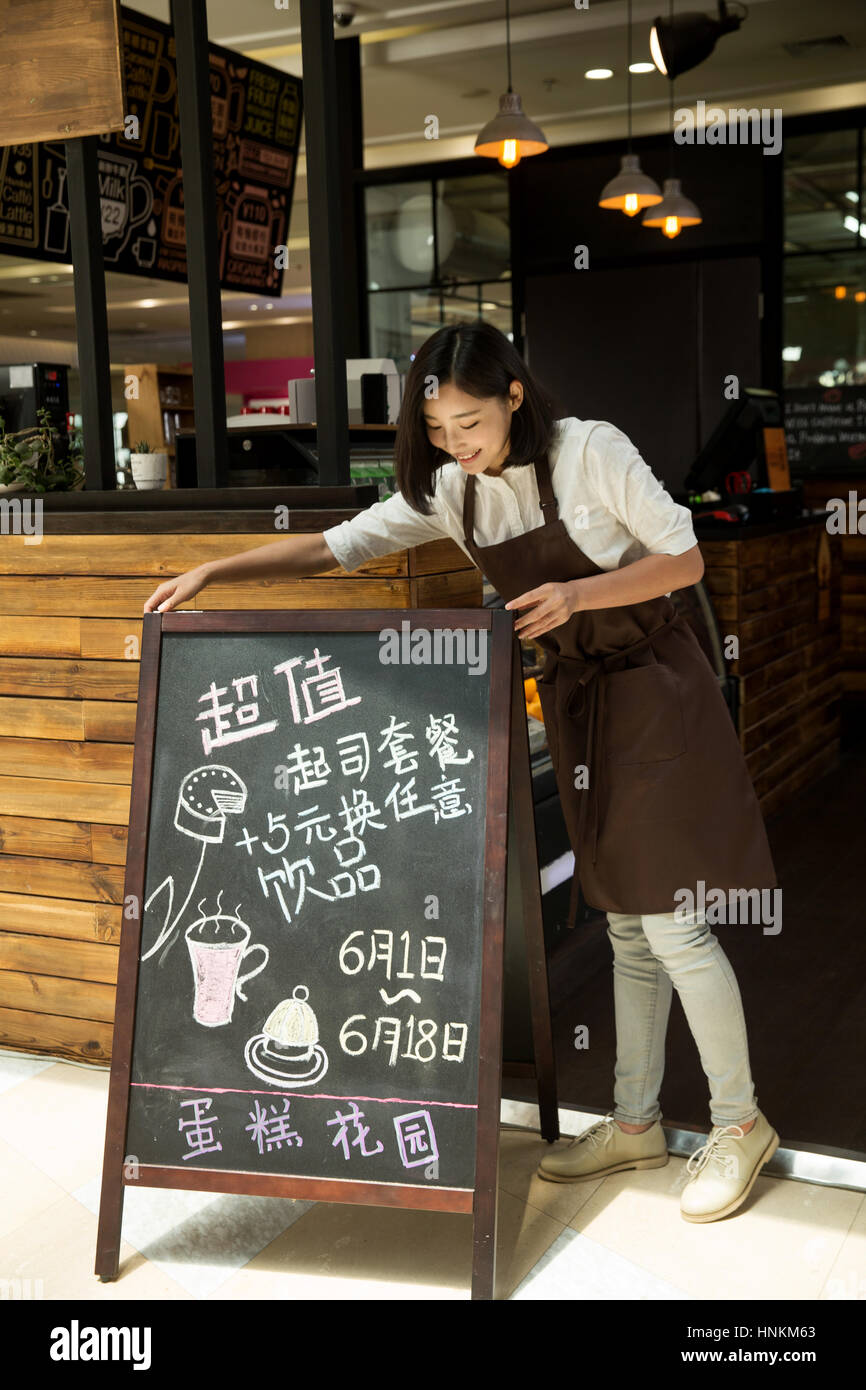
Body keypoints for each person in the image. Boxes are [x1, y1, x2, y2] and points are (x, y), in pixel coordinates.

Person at [144, 321, 780, 1223]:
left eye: (470, 423)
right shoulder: (454, 492)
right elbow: (340, 545)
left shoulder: (591, 451)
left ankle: (740, 1120)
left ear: (515, 394)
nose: (458, 445)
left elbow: (684, 558)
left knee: (673, 926)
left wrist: (575, 594)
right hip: (580, 699)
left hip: (656, 690)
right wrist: (218, 569)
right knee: (629, 929)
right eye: (439, 430)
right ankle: (636, 1121)